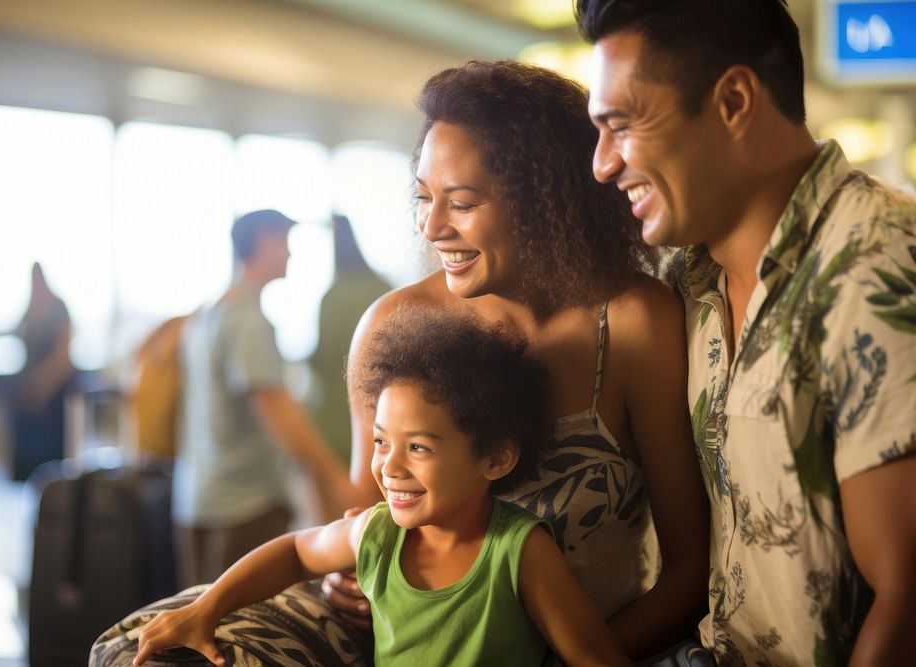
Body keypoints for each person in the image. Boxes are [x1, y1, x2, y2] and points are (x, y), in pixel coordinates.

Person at [90, 63, 708, 666]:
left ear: (547, 199)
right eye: (423, 197)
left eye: (461, 202)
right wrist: (350, 579)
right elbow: (368, 519)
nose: (433, 227)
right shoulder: (393, 328)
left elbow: (687, 570)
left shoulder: (632, 322)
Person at [576, 1, 916, 664]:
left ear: (733, 100)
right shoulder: (687, 282)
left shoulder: (873, 261)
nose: (602, 164)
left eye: (621, 125)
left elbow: (906, 603)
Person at [133, 306, 629, 667]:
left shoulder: (520, 551)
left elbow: (593, 656)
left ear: (495, 458)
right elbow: (294, 553)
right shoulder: (375, 533)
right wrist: (205, 608)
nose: (389, 467)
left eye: (418, 448)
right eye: (380, 442)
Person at [172, 209, 359, 589]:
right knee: (239, 636)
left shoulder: (207, 314)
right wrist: (336, 478)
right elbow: (276, 410)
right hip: (245, 505)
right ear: (264, 244)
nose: (290, 255)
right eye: (284, 243)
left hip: (198, 498)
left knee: (203, 624)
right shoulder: (247, 321)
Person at [309, 214, 392, 467]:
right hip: (385, 413)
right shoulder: (385, 288)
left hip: (337, 417)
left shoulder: (332, 297)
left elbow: (323, 361)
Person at [9, 261, 76, 481]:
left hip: (54, 390)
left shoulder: (58, 307)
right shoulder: (28, 309)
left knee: (52, 455)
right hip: (30, 390)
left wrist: (42, 385)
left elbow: (62, 356)